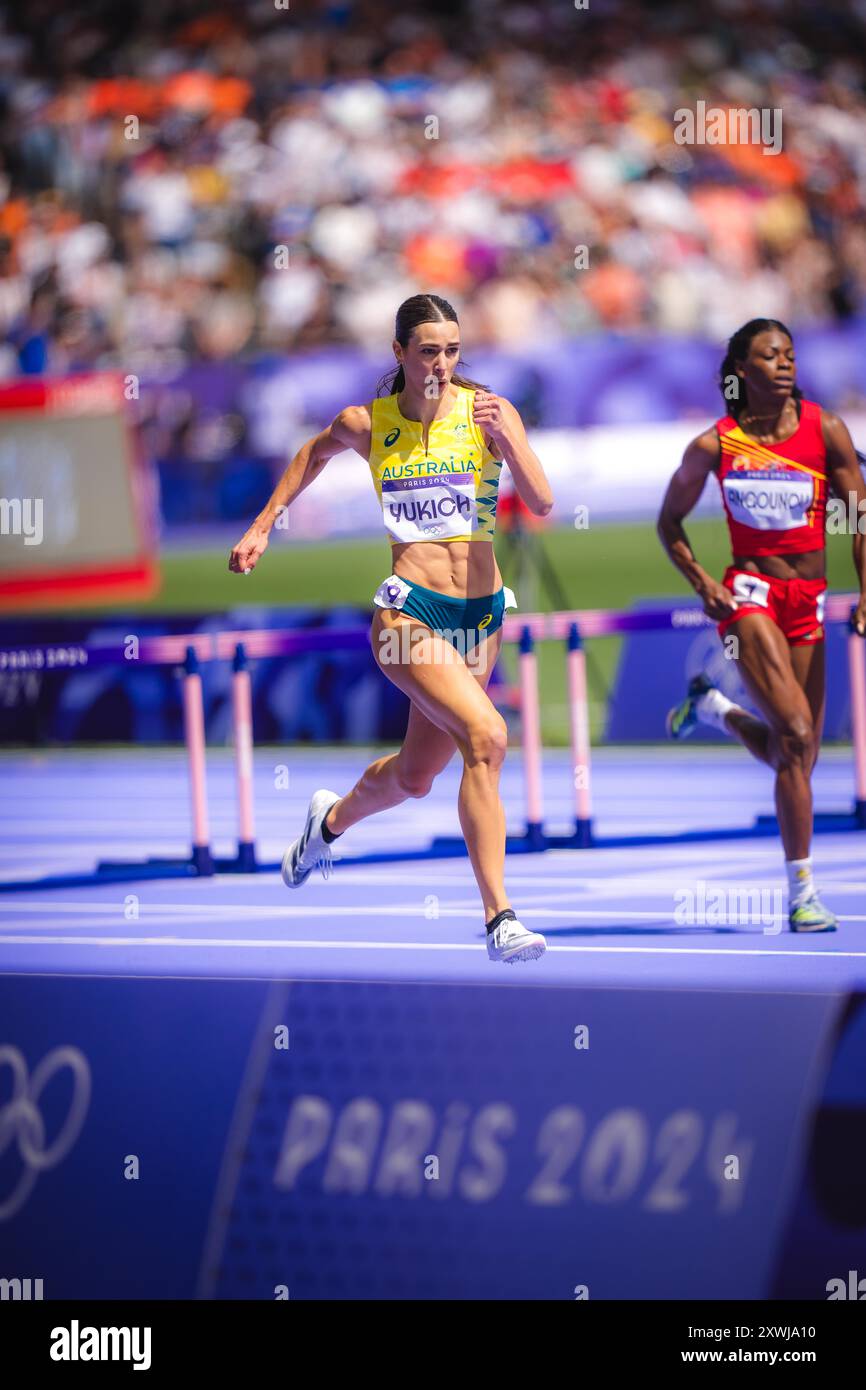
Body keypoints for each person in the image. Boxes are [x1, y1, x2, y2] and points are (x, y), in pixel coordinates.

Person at [229, 293, 554, 962]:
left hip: (481, 616)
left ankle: (330, 821)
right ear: (400, 353)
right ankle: (501, 919)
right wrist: (264, 525)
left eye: (453, 350)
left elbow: (544, 501)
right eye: (428, 350)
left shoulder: (488, 412)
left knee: (414, 778)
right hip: (407, 612)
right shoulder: (367, 424)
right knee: (488, 736)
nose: (441, 363)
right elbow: (310, 457)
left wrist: (512, 441)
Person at [658, 318, 866, 932]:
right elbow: (669, 523)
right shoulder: (714, 445)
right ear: (742, 371)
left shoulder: (825, 430)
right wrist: (704, 585)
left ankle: (713, 708)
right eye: (770, 356)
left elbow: (858, 519)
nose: (784, 364)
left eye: (791, 354)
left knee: (794, 754)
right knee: (798, 732)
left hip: (810, 597)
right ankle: (803, 893)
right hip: (748, 595)